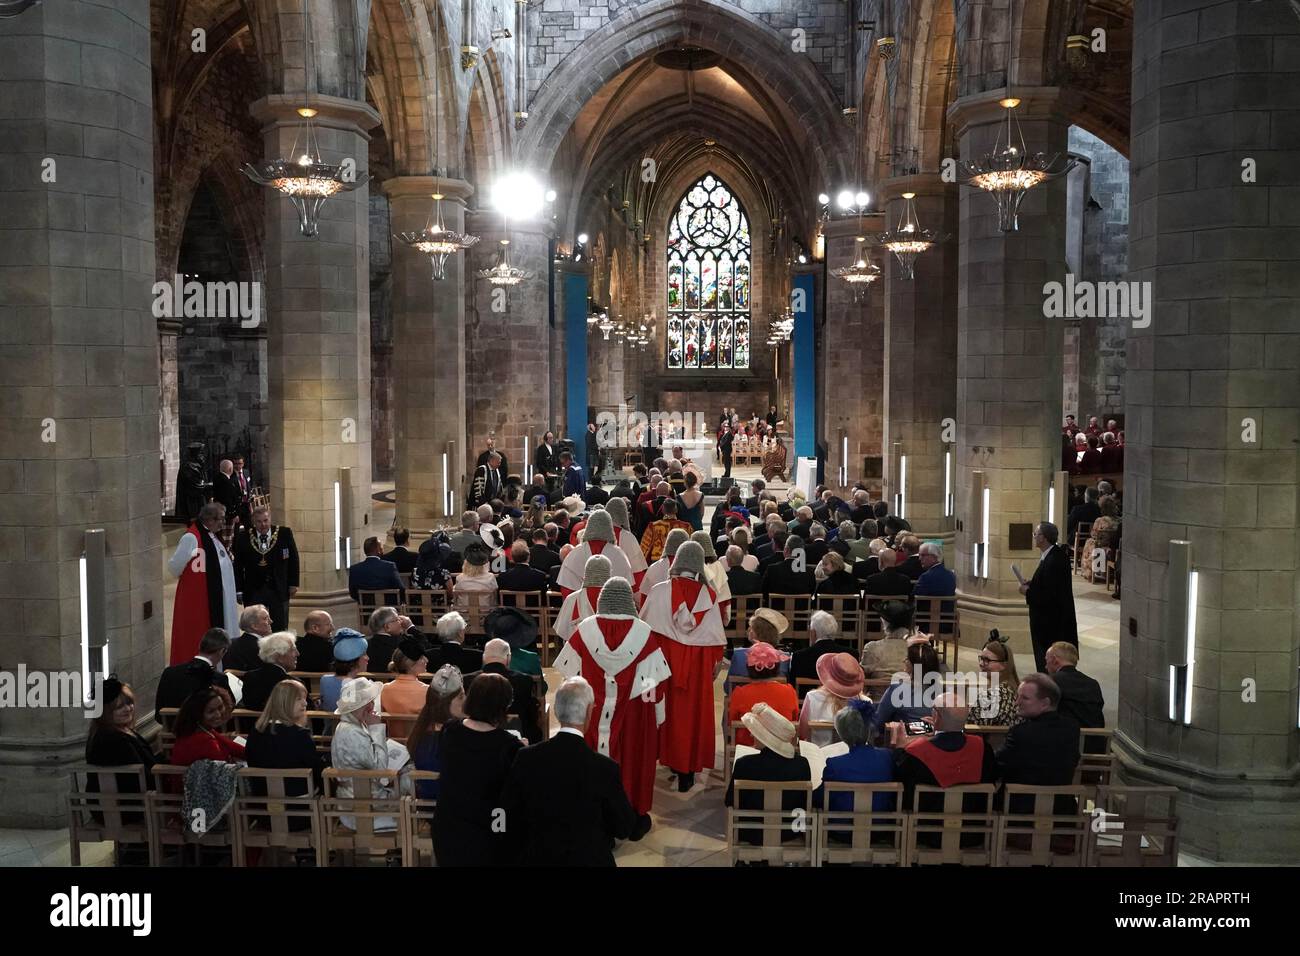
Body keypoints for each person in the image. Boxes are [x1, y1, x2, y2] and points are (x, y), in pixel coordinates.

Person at [555, 577, 670, 820]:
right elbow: (653, 684)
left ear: (602, 600)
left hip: (592, 712)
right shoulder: (644, 633)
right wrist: (656, 714)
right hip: (634, 713)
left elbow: (569, 673)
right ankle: (629, 811)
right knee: (632, 759)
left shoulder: (585, 629)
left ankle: (594, 813)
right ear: (629, 601)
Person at [500, 676, 641, 865]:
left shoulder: (526, 757)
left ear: (557, 712)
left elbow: (507, 811)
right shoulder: (605, 768)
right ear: (590, 712)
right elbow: (624, 827)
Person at [643, 541, 726, 792]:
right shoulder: (709, 598)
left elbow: (645, 632)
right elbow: (715, 644)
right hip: (696, 668)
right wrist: (714, 664)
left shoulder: (658, 592)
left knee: (665, 712)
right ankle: (687, 769)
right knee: (692, 715)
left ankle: (668, 759)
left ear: (677, 561)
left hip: (664, 663)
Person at [433, 673, 523, 866]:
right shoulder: (510, 746)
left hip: (448, 827)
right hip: (489, 830)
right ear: (503, 706)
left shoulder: (449, 730)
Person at [724, 703, 812, 846]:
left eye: (756, 732)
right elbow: (804, 803)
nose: (752, 735)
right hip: (790, 830)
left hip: (750, 831)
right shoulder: (802, 764)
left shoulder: (744, 764)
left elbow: (729, 801)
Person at [331, 678, 411, 831]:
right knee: (410, 781)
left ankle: (394, 853)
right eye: (367, 702)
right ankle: (400, 850)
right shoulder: (352, 732)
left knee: (407, 772)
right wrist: (376, 728)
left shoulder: (348, 726)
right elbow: (380, 772)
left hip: (355, 799)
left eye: (371, 701)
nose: (372, 706)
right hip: (365, 808)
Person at [893, 693, 997, 810]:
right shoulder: (983, 748)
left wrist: (900, 748)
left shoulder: (914, 752)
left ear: (936, 715)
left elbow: (899, 783)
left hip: (925, 823)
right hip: (972, 822)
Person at [167, 501, 239, 664]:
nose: (223, 522)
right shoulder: (192, 537)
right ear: (209, 520)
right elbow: (174, 566)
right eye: (220, 519)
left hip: (221, 597)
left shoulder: (212, 536)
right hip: (200, 599)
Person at [995, 675, 1081, 811]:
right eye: (1018, 696)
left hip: (1020, 810)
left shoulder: (1020, 733)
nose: (1016, 703)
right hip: (1061, 808)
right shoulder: (1072, 728)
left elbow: (998, 765)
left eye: (1025, 698)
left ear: (1045, 703)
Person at [245, 679, 325, 807]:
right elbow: (317, 772)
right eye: (299, 699)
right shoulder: (300, 735)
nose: (305, 704)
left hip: (262, 808)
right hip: (300, 811)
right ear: (285, 702)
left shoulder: (255, 732)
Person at [1020, 521, 1078, 673]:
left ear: (1043, 538)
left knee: (1047, 665)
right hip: (1051, 622)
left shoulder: (1053, 560)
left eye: (1036, 534)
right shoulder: (1054, 555)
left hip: (1050, 625)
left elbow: (1049, 597)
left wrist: (1027, 591)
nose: (1034, 537)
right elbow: (1049, 584)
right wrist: (1032, 583)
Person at [816, 705, 895, 813]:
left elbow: (819, 799)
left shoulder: (835, 765)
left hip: (840, 827)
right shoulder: (887, 757)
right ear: (868, 730)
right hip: (881, 826)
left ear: (842, 734)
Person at [232, 506, 300, 632]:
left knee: (279, 625)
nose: (263, 524)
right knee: (253, 626)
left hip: (278, 587)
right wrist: (239, 590)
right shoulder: (244, 537)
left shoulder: (284, 533)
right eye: (259, 521)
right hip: (253, 589)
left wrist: (293, 583)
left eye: (265, 520)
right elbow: (238, 566)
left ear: (270, 519)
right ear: (253, 522)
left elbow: (294, 560)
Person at [405, 665, 466, 801]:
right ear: (446, 703)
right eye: (461, 697)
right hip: (452, 809)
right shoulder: (457, 737)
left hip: (426, 804)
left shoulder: (420, 733)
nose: (466, 700)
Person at [466, 638, 543, 744]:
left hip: (474, 737)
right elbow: (530, 713)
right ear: (508, 658)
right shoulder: (523, 681)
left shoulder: (468, 680)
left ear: (484, 658)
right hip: (518, 737)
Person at [728, 641, 797, 747]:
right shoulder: (789, 691)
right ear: (777, 666)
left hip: (748, 748)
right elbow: (794, 719)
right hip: (782, 747)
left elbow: (731, 722)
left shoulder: (740, 693)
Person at [557, 508, 633, 595]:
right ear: (609, 528)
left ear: (588, 527)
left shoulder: (574, 554)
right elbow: (627, 590)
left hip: (581, 605)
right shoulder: (619, 555)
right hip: (612, 605)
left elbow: (567, 590)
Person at [871, 642, 942, 735]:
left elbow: (878, 724)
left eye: (907, 658)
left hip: (905, 745)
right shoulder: (943, 693)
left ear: (914, 665)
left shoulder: (897, 690)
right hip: (934, 745)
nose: (904, 661)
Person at [157, 627, 234, 710]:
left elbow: (159, 714)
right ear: (222, 651)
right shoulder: (218, 678)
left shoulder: (169, 672)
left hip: (173, 722)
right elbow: (229, 709)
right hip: (204, 723)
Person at [799, 652, 866, 746]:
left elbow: (802, 734)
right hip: (854, 758)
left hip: (819, 758)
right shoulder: (865, 702)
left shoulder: (812, 697)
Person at [171, 686, 246, 766]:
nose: (218, 714)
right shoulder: (203, 740)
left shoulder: (203, 728)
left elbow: (233, 747)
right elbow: (224, 767)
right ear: (198, 714)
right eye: (211, 711)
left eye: (220, 707)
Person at [1044, 641, 1105, 734]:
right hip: (1095, 741)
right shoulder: (1093, 683)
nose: (1045, 666)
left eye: (1046, 660)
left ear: (1054, 660)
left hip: (1067, 741)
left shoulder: (1051, 682)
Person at [861, 601, 928, 679]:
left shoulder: (872, 648)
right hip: (911, 691)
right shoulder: (920, 649)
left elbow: (861, 677)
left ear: (884, 623)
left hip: (879, 691)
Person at [381, 638, 430, 741]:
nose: (426, 660)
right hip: (419, 745)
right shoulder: (427, 691)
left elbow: (382, 723)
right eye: (421, 657)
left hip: (393, 745)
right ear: (410, 665)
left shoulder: (384, 689)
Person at [725, 607, 790, 683]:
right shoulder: (784, 658)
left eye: (750, 627)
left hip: (745, 694)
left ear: (754, 633)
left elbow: (727, 687)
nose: (748, 630)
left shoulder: (738, 655)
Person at [239, 631, 301, 711]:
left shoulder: (249, 677)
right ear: (279, 657)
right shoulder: (294, 683)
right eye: (293, 650)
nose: (297, 654)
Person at [969, 632, 1021, 726]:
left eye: (987, 660)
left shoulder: (992, 694)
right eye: (981, 658)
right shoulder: (1014, 687)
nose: (981, 663)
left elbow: (975, 725)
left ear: (1003, 665)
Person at [555, 554, 610, 641]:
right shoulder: (618, 599)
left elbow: (563, 631)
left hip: (579, 650)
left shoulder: (572, 598)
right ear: (608, 573)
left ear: (586, 573)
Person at [604, 496, 648, 591]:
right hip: (622, 588)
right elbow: (637, 570)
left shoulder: (593, 535)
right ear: (623, 514)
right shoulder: (627, 537)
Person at [318, 629, 368, 713]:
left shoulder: (325, 680)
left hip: (330, 726)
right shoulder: (362, 685)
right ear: (353, 659)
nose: (367, 658)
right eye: (364, 654)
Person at [347, 536, 405, 603]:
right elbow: (401, 589)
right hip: (388, 608)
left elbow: (353, 593)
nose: (382, 548)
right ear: (378, 550)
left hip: (366, 608)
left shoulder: (354, 569)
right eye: (381, 547)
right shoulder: (389, 566)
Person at [762, 534, 817, 598]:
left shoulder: (772, 569)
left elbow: (764, 592)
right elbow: (813, 594)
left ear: (786, 550)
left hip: (775, 607)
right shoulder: (810, 572)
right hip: (802, 608)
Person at [640, 496, 692, 562]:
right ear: (676, 510)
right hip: (680, 560)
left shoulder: (653, 526)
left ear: (663, 510)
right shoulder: (686, 526)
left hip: (657, 559)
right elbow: (691, 546)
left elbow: (644, 547)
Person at [1082, 495, 1121, 582]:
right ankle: (1101, 572)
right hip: (1115, 547)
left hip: (1102, 547)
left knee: (1090, 542)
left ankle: (1091, 572)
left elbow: (1094, 534)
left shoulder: (1100, 520)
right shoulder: (1119, 520)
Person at [222, 604, 271, 672]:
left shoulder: (230, 643)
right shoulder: (265, 647)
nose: (271, 621)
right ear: (254, 626)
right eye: (266, 619)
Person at [452, 541, 498, 611]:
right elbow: (494, 598)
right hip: (485, 614)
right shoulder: (490, 577)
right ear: (484, 564)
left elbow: (456, 598)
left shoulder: (459, 578)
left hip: (464, 615)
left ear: (466, 563)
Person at [364, 606, 407, 673]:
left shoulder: (364, 644)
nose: (401, 622)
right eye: (397, 620)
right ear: (387, 627)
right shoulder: (401, 645)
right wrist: (410, 627)